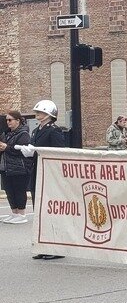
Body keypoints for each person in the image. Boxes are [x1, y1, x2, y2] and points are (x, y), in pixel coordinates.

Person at [16, 100, 66, 259]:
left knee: (51, 211)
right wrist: (28, 152)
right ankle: (44, 246)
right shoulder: (36, 130)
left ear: (49, 114)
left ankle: (57, 248)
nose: (37, 114)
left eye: (41, 112)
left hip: (50, 173)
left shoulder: (54, 130)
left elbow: (58, 152)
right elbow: (34, 149)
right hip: (38, 171)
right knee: (39, 211)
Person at [0, 111, 31, 224]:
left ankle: (22, 214)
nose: (8, 122)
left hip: (19, 167)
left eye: (10, 120)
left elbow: (22, 150)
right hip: (6, 166)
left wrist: (7, 147)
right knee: (9, 191)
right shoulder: (7, 133)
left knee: (19, 190)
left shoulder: (23, 134)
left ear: (18, 120)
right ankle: (14, 213)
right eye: (7, 120)